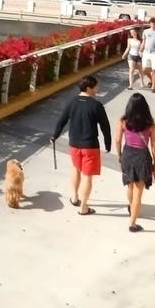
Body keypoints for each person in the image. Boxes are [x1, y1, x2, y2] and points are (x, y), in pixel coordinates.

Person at [50, 74, 111, 215]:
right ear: (89, 88)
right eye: (96, 86)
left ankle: (74, 197)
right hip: (89, 146)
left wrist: (54, 136)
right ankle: (84, 207)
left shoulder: (72, 102)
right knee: (87, 176)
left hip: (74, 144)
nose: (97, 88)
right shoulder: (96, 105)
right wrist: (108, 144)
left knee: (76, 169)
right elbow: (105, 127)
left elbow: (62, 121)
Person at [114, 93, 155, 232]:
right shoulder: (150, 124)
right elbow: (154, 145)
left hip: (127, 154)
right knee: (138, 193)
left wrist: (120, 155)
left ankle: (130, 206)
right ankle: (132, 223)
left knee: (130, 186)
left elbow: (117, 140)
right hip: (142, 157)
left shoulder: (123, 121)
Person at [140, 17, 155, 93]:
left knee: (154, 70)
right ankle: (151, 80)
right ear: (149, 24)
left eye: (154, 23)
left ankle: (153, 87)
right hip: (146, 53)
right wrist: (140, 50)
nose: (152, 24)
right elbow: (143, 42)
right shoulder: (145, 31)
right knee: (144, 69)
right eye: (151, 23)